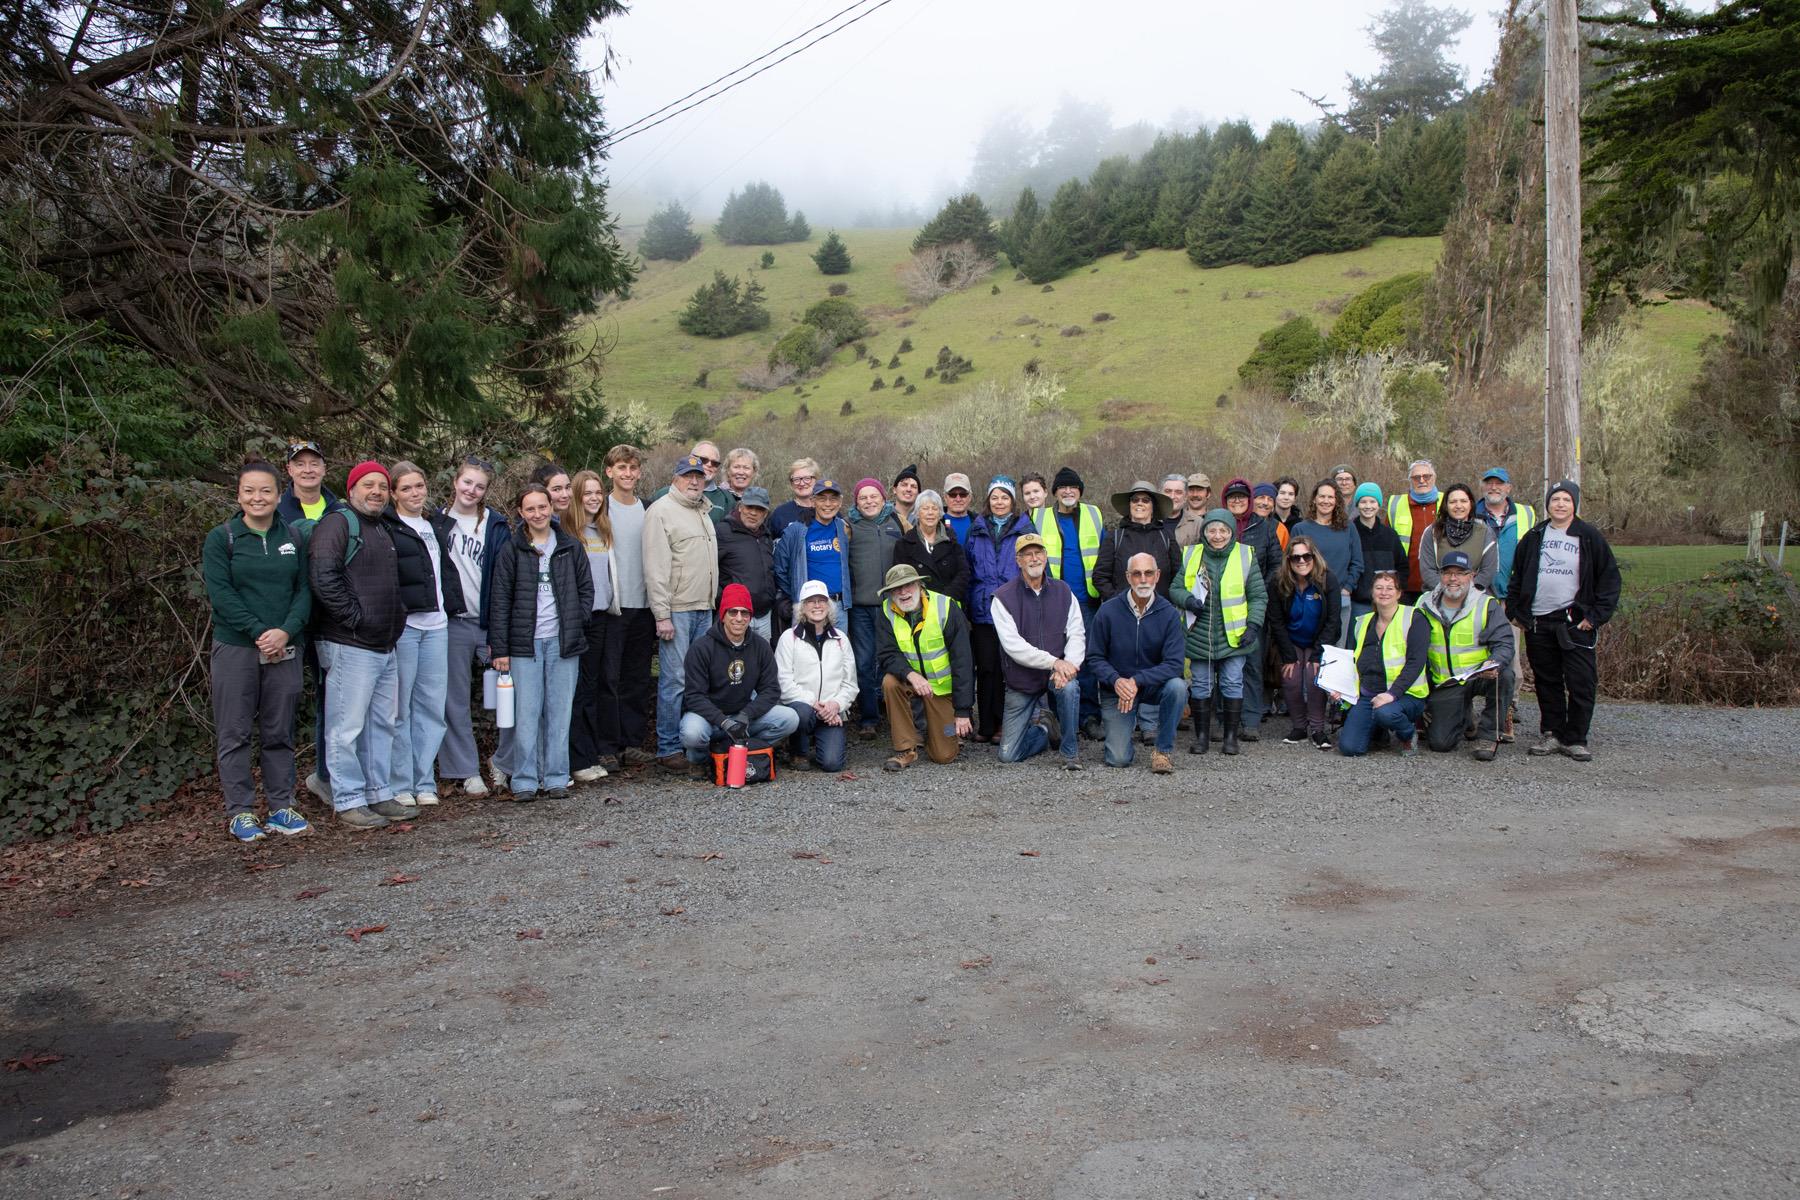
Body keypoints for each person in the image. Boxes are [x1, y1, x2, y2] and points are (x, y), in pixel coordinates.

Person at [204, 461, 312, 842]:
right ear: (238, 496)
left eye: (266, 490)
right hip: (237, 648)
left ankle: (281, 806)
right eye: (249, 490)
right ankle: (241, 812)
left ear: (280, 496)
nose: (258, 498)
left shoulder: (294, 537)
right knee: (234, 732)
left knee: (279, 730)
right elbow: (221, 594)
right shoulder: (222, 538)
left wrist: (285, 631)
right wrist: (260, 632)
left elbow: (305, 590)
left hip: (285, 648)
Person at [309, 461, 409, 828]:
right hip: (349, 642)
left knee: (381, 724)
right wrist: (356, 618)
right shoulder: (338, 524)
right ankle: (349, 799)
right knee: (346, 726)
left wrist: (394, 619)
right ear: (351, 489)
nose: (376, 492)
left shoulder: (380, 527)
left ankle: (378, 792)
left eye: (382, 486)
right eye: (368, 485)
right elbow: (323, 576)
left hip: (383, 644)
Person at [1506, 480, 1621, 763]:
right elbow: (1517, 577)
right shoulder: (1534, 536)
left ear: (1574, 504)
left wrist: (1594, 617)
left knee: (1581, 682)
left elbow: (1609, 580)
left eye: (1566, 500)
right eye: (1555, 499)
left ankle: (1576, 738)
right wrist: (1516, 612)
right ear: (1548, 503)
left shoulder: (1589, 537)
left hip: (1574, 622)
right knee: (1547, 681)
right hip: (1539, 621)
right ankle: (1553, 733)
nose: (1560, 504)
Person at [489, 483, 590, 800]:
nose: (537, 514)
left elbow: (586, 590)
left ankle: (556, 777)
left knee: (560, 714)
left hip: (563, 644)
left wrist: (575, 621)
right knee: (527, 715)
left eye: (542, 507)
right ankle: (524, 780)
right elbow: (500, 601)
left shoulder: (570, 547)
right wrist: (501, 649)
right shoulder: (512, 550)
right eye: (530, 509)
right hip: (524, 646)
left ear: (551, 507)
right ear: (521, 513)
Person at [384, 461, 467, 809]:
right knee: (400, 708)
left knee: (431, 707)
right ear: (393, 494)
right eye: (406, 488)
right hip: (406, 626)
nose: (415, 493)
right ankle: (401, 782)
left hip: (437, 626)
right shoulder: (389, 527)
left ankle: (424, 780)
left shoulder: (435, 525)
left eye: (419, 486)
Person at [438, 457, 511, 796]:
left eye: (479, 486)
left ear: (486, 491)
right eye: (467, 482)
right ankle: (466, 770)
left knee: (510, 694)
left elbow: (505, 579)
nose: (472, 490)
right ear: (456, 482)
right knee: (454, 700)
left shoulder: (496, 526)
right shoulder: (437, 523)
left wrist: (500, 627)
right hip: (453, 622)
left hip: (490, 623)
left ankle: (504, 761)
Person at [644, 453, 721, 771]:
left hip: (704, 608)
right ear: (675, 480)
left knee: (699, 679)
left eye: (699, 476)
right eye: (688, 476)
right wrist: (662, 615)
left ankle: (694, 745)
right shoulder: (661, 511)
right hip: (677, 610)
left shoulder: (703, 510)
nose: (694, 481)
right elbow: (655, 567)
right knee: (674, 680)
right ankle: (668, 747)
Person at [1171, 508, 1268, 756]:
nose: (1217, 535)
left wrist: (1253, 625)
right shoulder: (1191, 554)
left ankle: (1230, 738)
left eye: (1223, 530)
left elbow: (1258, 596)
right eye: (1212, 530)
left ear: (1231, 532)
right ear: (1204, 532)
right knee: (1201, 685)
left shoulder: (1245, 555)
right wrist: (1187, 600)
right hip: (1199, 634)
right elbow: (1175, 588)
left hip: (1235, 636)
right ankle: (1202, 737)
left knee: (1232, 682)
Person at [679, 583, 799, 780]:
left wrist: (746, 715)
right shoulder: (702, 647)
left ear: (750, 617)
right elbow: (694, 696)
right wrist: (723, 721)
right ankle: (700, 760)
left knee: (789, 718)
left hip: (742, 717)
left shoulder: (760, 646)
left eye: (744, 613)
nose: (739, 618)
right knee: (692, 733)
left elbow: (771, 690)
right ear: (723, 615)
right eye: (733, 612)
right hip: (709, 718)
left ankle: (745, 749)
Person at [991, 534, 1085, 770]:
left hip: (1057, 676)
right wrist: (1055, 662)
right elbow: (1014, 647)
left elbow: (1076, 633)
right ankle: (1044, 730)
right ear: (1018, 560)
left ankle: (1070, 752)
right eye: (1027, 554)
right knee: (1008, 755)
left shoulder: (1064, 591)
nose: (1034, 558)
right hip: (1021, 680)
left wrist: (1069, 665)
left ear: (1045, 556)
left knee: (1070, 688)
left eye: (1038, 553)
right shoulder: (1002, 597)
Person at [1088, 553, 1187, 773]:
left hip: (1152, 686)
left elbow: (1175, 664)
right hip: (1117, 690)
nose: (1143, 579)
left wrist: (1136, 680)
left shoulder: (1169, 613)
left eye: (1148, 573)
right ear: (1128, 577)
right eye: (1137, 574)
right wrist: (1116, 681)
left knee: (1178, 687)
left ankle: (1162, 751)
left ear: (1157, 576)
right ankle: (1123, 737)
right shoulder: (1108, 611)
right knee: (1118, 759)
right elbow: (1094, 658)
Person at [280, 439, 337, 805]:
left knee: (330, 700)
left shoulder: (339, 508)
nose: (307, 469)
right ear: (289, 470)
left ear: (323, 469)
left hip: (329, 620)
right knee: (282, 703)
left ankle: (326, 777)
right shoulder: (277, 509)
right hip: (287, 621)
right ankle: (281, 792)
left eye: (313, 462)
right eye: (299, 463)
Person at [1417, 550, 1515, 761]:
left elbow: (1505, 643)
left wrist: (1493, 663)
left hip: (1479, 675)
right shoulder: (1423, 604)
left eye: (1460, 573)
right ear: (1440, 576)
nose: (1453, 579)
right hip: (1446, 682)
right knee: (1440, 744)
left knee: (1505, 675)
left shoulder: (1486, 604)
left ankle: (1488, 735)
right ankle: (1466, 719)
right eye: (1448, 573)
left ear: (1471, 576)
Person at [876, 564, 975, 771]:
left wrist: (963, 710)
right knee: (889, 682)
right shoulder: (885, 611)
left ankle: (940, 732)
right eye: (896, 588)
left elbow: (963, 661)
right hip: (911, 682)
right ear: (890, 593)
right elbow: (887, 654)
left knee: (944, 755)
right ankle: (906, 748)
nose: (903, 592)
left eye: (908, 585)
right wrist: (911, 675)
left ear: (920, 585)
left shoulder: (946, 606)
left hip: (942, 690)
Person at [1033, 466, 1106, 737]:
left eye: (1073, 487)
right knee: (1055, 658)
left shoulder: (1094, 514)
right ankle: (1061, 717)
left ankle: (1089, 716)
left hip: (1087, 600)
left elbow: (1104, 552)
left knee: (1084, 660)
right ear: (1054, 492)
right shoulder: (1038, 517)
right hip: (1052, 601)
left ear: (1080, 491)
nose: (1068, 491)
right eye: (1062, 487)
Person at [1332, 571, 1430, 757]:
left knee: (1385, 713)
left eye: (1390, 588)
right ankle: (1379, 731)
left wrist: (1391, 694)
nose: (1384, 592)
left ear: (1399, 593)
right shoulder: (1363, 622)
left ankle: (1408, 734)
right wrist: (1342, 689)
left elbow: (1416, 663)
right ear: (1372, 592)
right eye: (1379, 588)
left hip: (1405, 695)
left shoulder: (1415, 618)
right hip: (1369, 695)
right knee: (1350, 748)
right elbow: (1353, 661)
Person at [963, 477, 1032, 743]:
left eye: (1004, 497)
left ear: (1012, 501)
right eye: (995, 497)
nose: (999, 502)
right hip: (983, 609)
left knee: (1009, 668)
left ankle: (1006, 723)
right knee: (986, 668)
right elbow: (969, 569)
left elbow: (1034, 567)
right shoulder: (977, 529)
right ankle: (986, 725)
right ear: (988, 501)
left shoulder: (1024, 528)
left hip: (1014, 608)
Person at [604, 444, 657, 767]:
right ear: (610, 471)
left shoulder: (648, 509)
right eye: (621, 467)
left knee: (637, 678)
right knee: (609, 678)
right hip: (613, 606)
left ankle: (631, 742)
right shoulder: (601, 507)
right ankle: (608, 746)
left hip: (644, 605)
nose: (627, 473)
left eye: (633, 468)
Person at [567, 469, 622, 782]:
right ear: (577, 496)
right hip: (579, 620)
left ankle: (589, 754)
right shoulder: (568, 531)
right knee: (578, 691)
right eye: (587, 493)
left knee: (596, 687)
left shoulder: (602, 530)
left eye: (598, 492)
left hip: (603, 616)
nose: (594, 498)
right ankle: (578, 758)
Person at [1220, 478, 1282, 740]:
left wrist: (1258, 589)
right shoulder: (1217, 524)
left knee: (1253, 664)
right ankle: (1224, 719)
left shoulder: (1264, 526)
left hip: (1255, 606)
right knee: (1223, 663)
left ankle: (1250, 720)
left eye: (1242, 497)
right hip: (1222, 608)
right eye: (1232, 497)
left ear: (1250, 499)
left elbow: (1276, 564)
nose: (1237, 501)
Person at [776, 579, 859, 772]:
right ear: (802, 607)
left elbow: (850, 684)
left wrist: (836, 704)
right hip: (803, 708)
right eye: (810, 601)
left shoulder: (841, 639)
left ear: (829, 606)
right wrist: (814, 703)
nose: (816, 605)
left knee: (832, 764)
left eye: (821, 600)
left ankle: (819, 739)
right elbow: (784, 683)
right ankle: (798, 752)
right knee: (803, 713)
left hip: (831, 712)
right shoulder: (789, 638)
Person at [1267, 534, 1340, 750]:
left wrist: (1317, 654)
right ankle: (1299, 727)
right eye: (1295, 557)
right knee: (1291, 678)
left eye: (1306, 556)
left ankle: (1318, 729)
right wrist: (1288, 655)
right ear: (1288, 560)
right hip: (1291, 640)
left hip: (1319, 640)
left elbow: (1333, 620)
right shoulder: (1278, 582)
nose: (1301, 561)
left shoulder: (1328, 579)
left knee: (1314, 677)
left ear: (1314, 557)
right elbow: (1276, 621)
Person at [845, 478, 906, 737]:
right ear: (856, 502)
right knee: (865, 662)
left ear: (883, 498)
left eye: (874, 496)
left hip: (893, 606)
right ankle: (869, 718)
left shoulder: (897, 522)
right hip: (862, 607)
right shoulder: (849, 527)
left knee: (896, 660)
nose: (869, 501)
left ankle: (897, 715)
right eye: (863, 498)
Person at [1292, 478, 1364, 646]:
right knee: (1308, 649)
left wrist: (1348, 588)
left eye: (1330, 497)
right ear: (1314, 499)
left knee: (1336, 651)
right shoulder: (1301, 528)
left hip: (1340, 598)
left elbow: (1357, 562)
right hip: (1307, 599)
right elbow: (1292, 563)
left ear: (1336, 501)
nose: (1326, 501)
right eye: (1322, 496)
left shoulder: (1348, 528)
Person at [774, 477, 849, 628]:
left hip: (839, 607)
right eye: (822, 499)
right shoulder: (796, 531)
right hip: (808, 607)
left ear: (840, 503)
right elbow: (779, 569)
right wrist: (796, 593)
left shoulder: (844, 528)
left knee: (837, 644)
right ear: (813, 501)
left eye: (833, 499)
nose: (828, 504)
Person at [1094, 481, 1178, 600]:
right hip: (1123, 609)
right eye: (1135, 500)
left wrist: (1165, 603)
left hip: (1159, 608)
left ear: (1153, 507)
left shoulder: (1167, 537)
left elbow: (1178, 576)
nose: (1139, 503)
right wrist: (1117, 601)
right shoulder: (1115, 538)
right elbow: (1100, 576)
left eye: (1145, 500)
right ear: (1130, 505)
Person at [716, 485, 778, 642]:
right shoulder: (723, 532)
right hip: (735, 616)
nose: (753, 513)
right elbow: (707, 570)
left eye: (759, 509)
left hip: (764, 616)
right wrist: (723, 599)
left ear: (765, 513)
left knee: (760, 655)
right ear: (741, 507)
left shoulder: (766, 535)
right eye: (749, 507)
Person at [894, 489, 968, 605]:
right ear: (917, 513)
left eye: (934, 508)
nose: (930, 513)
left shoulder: (951, 541)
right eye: (925, 508)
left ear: (940, 514)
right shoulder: (904, 544)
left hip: (948, 604)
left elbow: (963, 573)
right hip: (917, 606)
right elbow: (900, 579)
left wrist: (943, 599)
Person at [1420, 483, 1497, 593]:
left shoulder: (1485, 532)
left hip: (1476, 594)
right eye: (1453, 502)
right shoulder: (1432, 532)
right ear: (1446, 505)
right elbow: (1427, 570)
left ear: (1471, 504)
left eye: (1463, 501)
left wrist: (1467, 593)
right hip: (1438, 594)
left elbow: (1487, 571)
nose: (1458, 506)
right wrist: (1448, 591)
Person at [1349, 483, 1408, 625]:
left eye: (1372, 501)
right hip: (1359, 603)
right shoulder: (1349, 533)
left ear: (1379, 504)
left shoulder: (1390, 535)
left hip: (1387, 603)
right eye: (1363, 502)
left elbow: (1403, 566)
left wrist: (1394, 588)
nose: (1368, 506)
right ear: (1357, 504)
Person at [1477, 467, 1537, 602]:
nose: (1494, 487)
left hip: (1515, 595)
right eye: (1489, 483)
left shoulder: (1527, 513)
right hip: (1479, 595)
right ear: (1482, 487)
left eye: (1499, 483)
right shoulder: (1469, 514)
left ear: (1509, 488)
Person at [1386, 459, 1441, 602]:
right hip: (1405, 586)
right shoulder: (1396, 505)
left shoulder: (1447, 501)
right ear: (1410, 480)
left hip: (1441, 584)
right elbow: (1386, 545)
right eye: (1416, 477)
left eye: (1426, 476)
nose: (1422, 480)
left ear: (1434, 478)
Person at [769, 457, 819, 540]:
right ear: (791, 484)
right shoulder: (780, 514)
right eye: (796, 479)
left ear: (816, 480)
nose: (802, 483)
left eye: (807, 478)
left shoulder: (828, 509)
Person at [1174, 473, 1212, 547]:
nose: (1195, 494)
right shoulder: (1175, 519)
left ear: (1208, 493)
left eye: (1199, 490)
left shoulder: (1215, 520)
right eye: (1191, 490)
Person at [1252, 484, 1291, 551]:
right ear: (1251, 502)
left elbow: (1286, 555)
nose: (1265, 503)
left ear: (1273, 506)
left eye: (1270, 499)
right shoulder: (1242, 525)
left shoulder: (1280, 529)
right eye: (1261, 497)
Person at [942, 472, 976, 544]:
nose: (958, 499)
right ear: (945, 497)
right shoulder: (935, 523)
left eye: (963, 494)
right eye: (952, 495)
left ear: (970, 497)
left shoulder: (981, 523)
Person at [892, 464, 922, 528]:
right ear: (894, 490)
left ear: (919, 493)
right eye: (904, 485)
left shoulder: (924, 519)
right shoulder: (883, 517)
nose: (908, 489)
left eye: (913, 486)